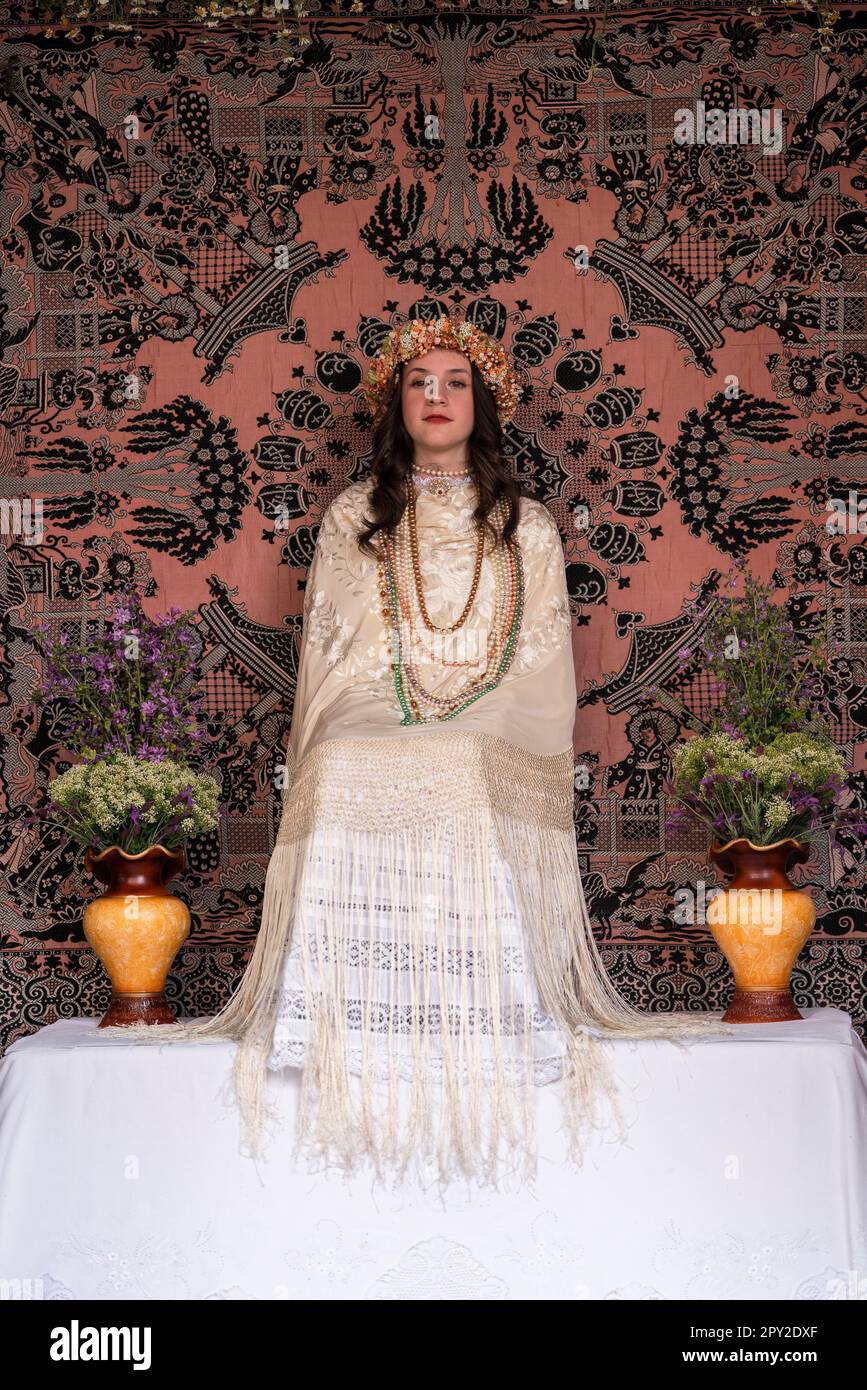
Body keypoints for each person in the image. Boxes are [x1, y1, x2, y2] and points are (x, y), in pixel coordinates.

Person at [102, 314, 732, 1187]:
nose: (436, 397)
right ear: (395, 406)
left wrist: (459, 707)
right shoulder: (353, 517)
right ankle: (343, 1026)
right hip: (377, 693)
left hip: (501, 706)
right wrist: (403, 704)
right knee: (347, 760)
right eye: (419, 383)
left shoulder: (530, 526)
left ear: (483, 406)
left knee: (465, 760)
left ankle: (492, 1020)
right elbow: (336, 649)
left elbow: (538, 657)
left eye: (455, 383)